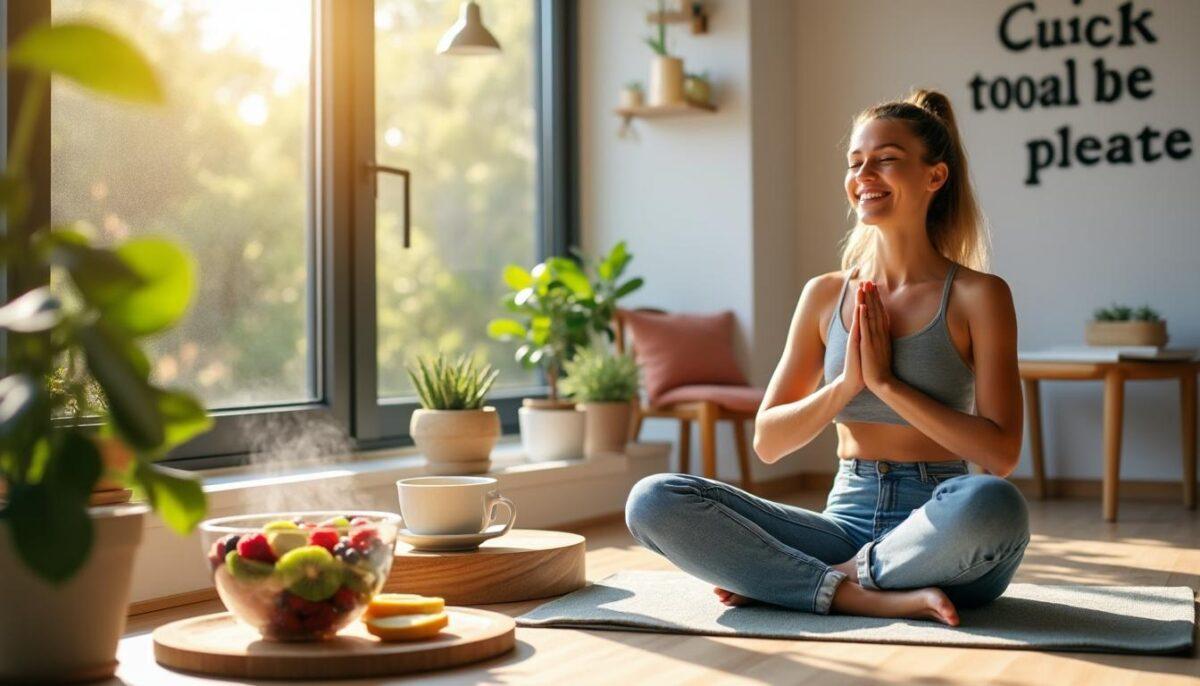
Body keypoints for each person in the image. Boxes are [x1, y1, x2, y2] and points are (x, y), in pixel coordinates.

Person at [625, 89, 1027, 626]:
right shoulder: (824, 295)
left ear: (935, 177)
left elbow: (1000, 454)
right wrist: (843, 387)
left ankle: (815, 581)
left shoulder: (980, 295)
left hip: (941, 524)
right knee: (653, 499)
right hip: (844, 517)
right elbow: (769, 441)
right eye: (855, 162)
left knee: (994, 507)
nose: (865, 174)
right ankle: (854, 591)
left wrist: (887, 386)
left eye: (886, 159)